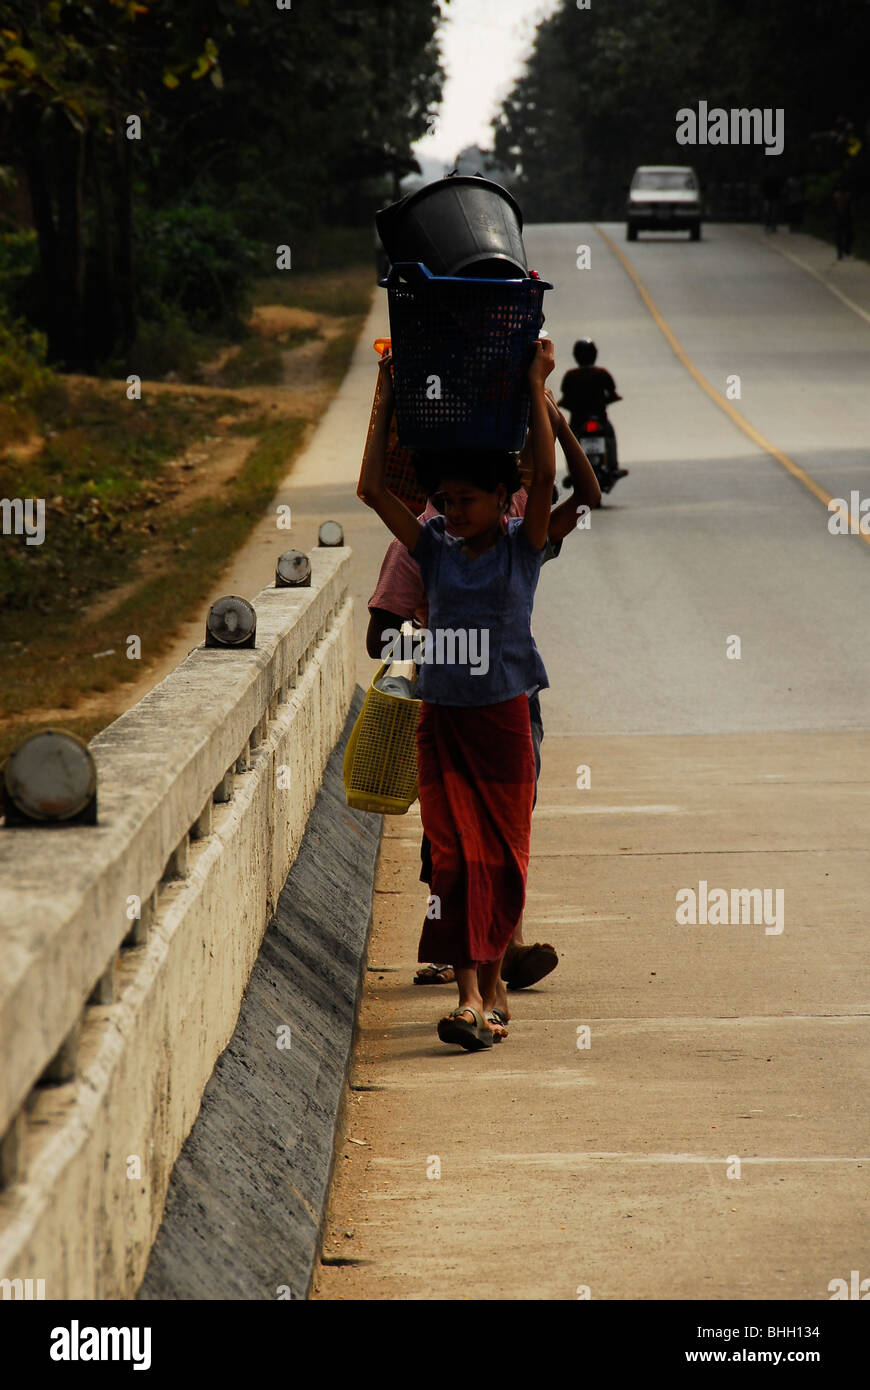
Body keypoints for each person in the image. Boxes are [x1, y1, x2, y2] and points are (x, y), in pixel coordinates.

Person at [358, 338, 563, 1050]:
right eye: (443, 501)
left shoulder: (519, 545)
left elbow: (547, 479)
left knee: (501, 858)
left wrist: (537, 387)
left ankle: (494, 988)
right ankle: (470, 998)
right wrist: (385, 389)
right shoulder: (431, 547)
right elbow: (371, 491)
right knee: (452, 857)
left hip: (505, 719)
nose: (451, 511)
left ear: (501, 501)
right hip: (442, 721)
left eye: (465, 500)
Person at [558, 339, 627, 482]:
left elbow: (565, 399)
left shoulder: (570, 376)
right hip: (599, 418)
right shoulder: (602, 373)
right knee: (610, 436)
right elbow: (613, 394)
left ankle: (573, 470)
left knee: (570, 444)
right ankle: (613, 468)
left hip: (578, 421)